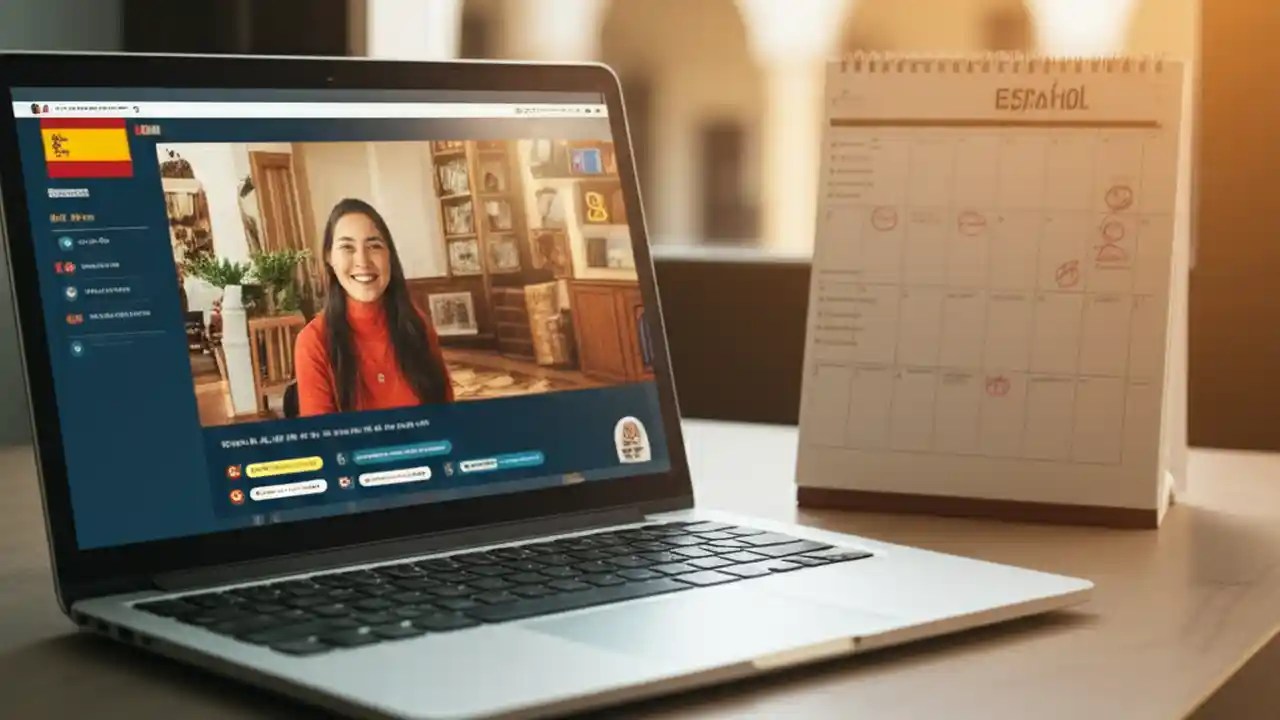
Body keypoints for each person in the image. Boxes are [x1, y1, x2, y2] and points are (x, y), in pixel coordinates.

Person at [294, 198, 453, 415]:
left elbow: (447, 414)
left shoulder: (416, 323)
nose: (363, 261)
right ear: (329, 257)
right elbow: (323, 442)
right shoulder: (313, 342)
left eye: (374, 246)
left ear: (390, 255)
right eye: (347, 247)